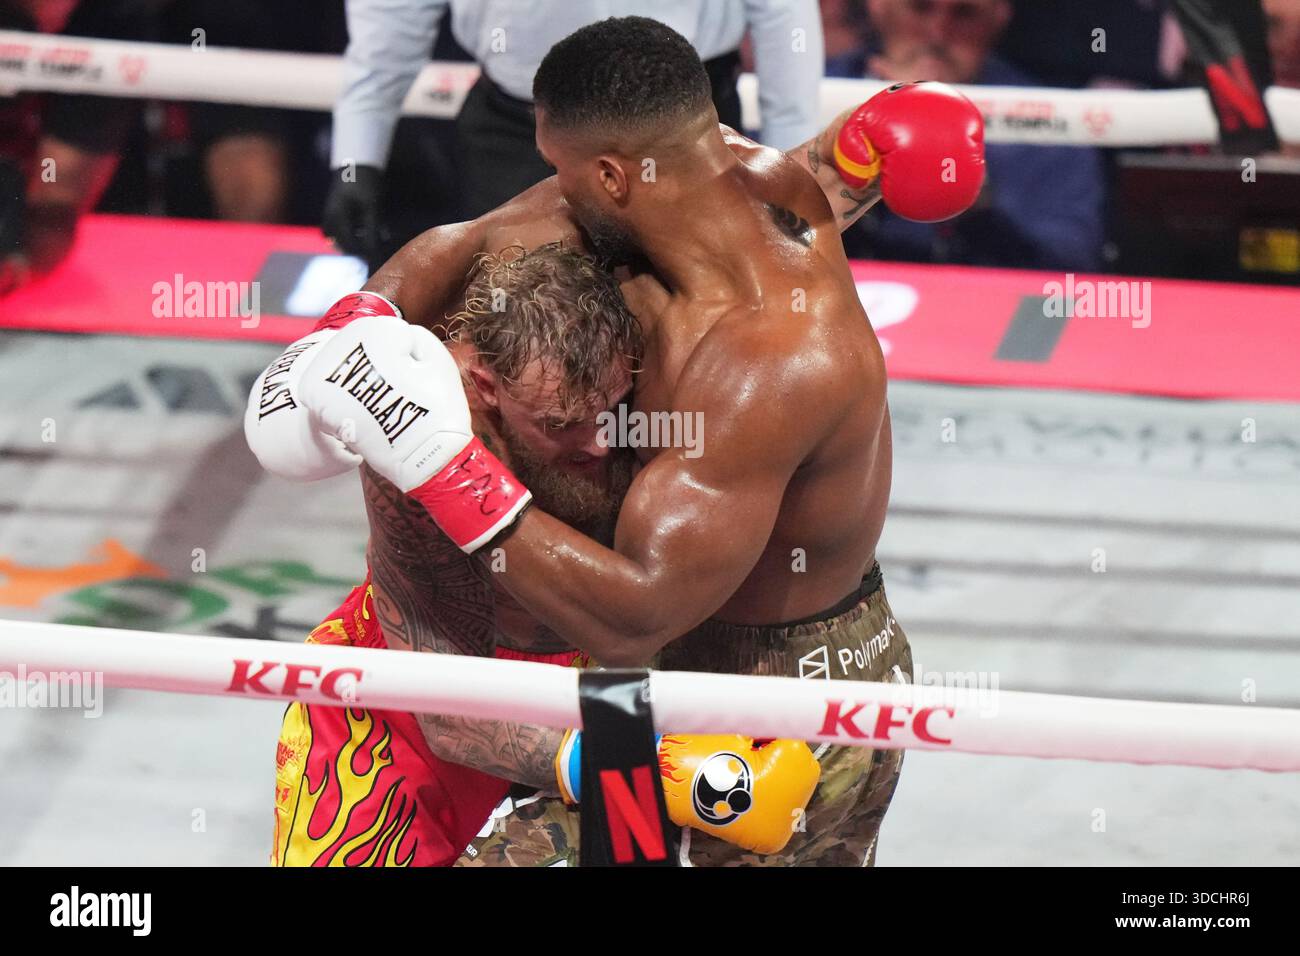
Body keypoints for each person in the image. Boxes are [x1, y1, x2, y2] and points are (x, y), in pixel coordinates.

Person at [253, 17, 985, 865]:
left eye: (563, 172)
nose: (550, 192)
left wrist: (441, 465)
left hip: (778, 688)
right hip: (640, 674)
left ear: (611, 173)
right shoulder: (698, 182)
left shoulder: (774, 362)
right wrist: (359, 322)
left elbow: (638, 610)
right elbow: (471, 242)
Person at [260, 245, 821, 866]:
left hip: (604, 681)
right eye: (560, 425)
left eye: (612, 408)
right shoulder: (417, 432)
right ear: (485, 386)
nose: (600, 444)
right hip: (411, 713)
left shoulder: (647, 391)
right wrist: (649, 769)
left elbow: (706, 179)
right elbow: (449, 716)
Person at [324, 0, 825, 265]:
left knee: (695, 333)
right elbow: (393, 16)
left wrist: (791, 173)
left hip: (682, 123)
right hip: (517, 132)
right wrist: (357, 159)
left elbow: (784, 12)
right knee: (516, 339)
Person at [828, 0, 1106, 271]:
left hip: (984, 311)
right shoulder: (815, 98)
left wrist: (977, 209)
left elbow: (1070, 273)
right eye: (920, 7)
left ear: (999, 16)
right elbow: (788, 244)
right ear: (878, 6)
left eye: (965, 13)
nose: (937, 32)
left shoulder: (1050, 123)